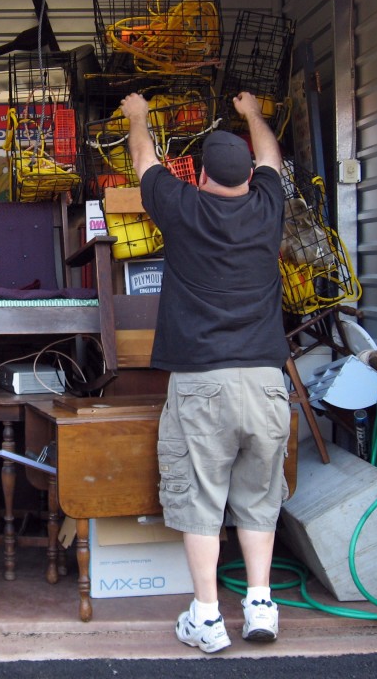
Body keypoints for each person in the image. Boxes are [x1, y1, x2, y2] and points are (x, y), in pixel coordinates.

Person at [120, 91, 291, 654]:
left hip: (203, 382)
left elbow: (144, 164)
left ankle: (207, 617)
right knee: (259, 496)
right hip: (266, 381)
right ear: (249, 174)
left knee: (200, 498)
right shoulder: (269, 205)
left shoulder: (183, 208)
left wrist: (138, 115)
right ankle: (261, 605)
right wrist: (253, 114)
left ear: (198, 175)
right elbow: (272, 158)